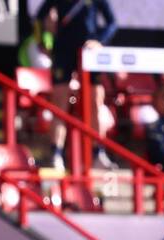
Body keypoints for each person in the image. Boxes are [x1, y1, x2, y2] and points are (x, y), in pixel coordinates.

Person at [33, 0, 117, 171]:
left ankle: (97, 152)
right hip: (63, 50)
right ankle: (56, 153)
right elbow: (39, 18)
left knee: (96, 101)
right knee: (60, 104)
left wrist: (99, 41)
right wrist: (43, 42)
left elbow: (112, 22)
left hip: (89, 51)